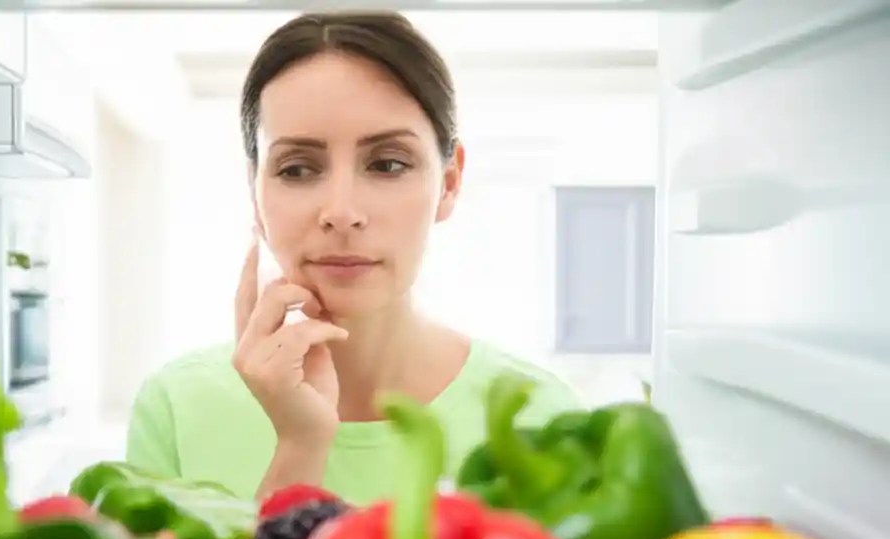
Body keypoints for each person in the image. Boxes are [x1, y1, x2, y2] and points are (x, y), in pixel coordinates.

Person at [125, 11, 581, 505]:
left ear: (449, 183)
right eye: (298, 169)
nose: (341, 213)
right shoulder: (175, 409)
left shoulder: (541, 419)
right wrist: (300, 446)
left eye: (388, 164)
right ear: (254, 194)